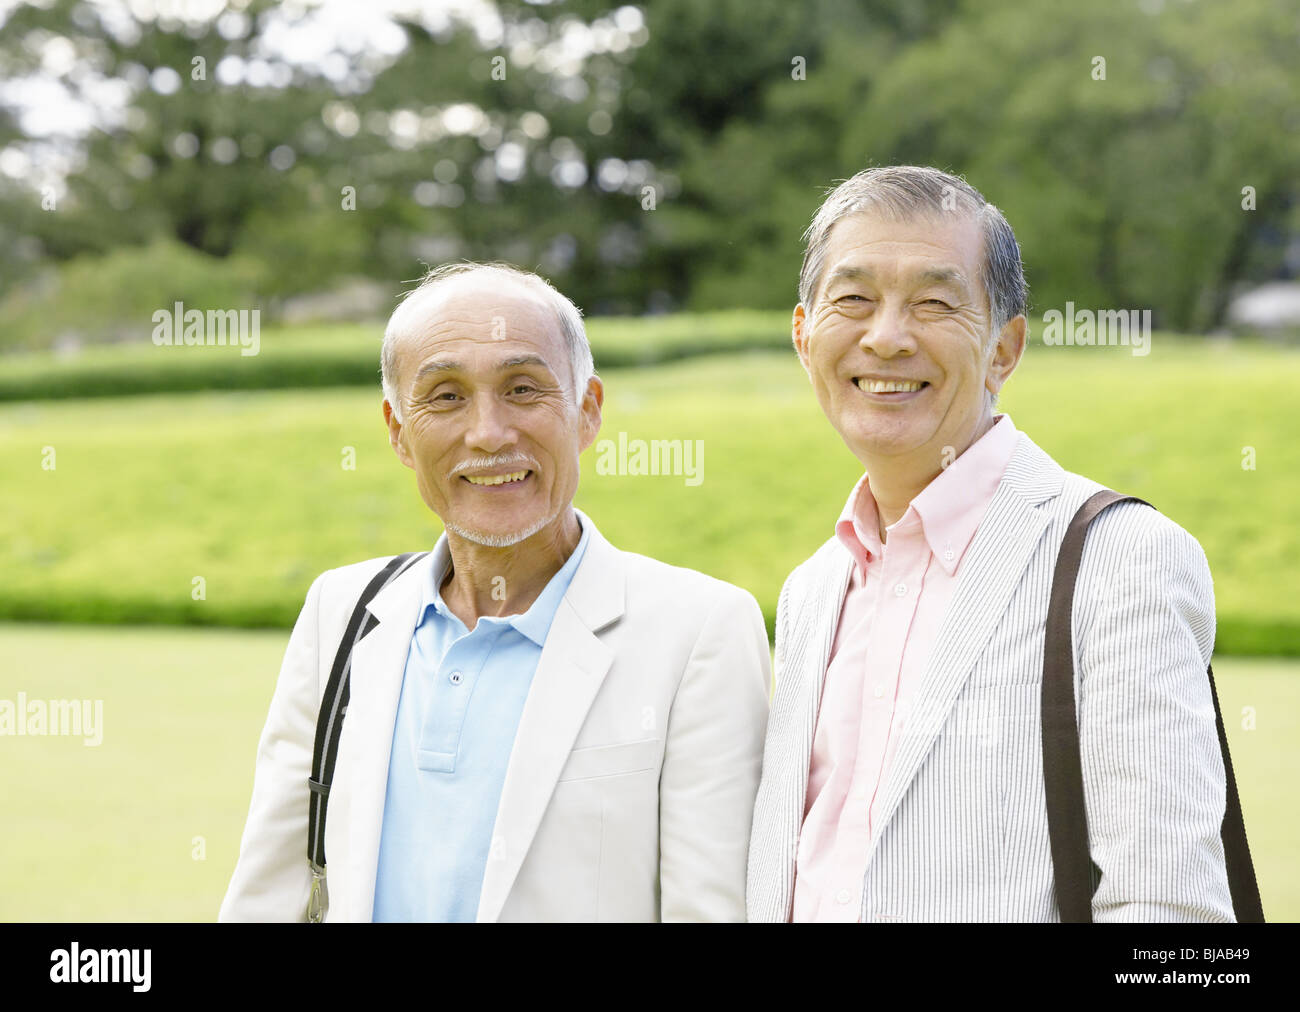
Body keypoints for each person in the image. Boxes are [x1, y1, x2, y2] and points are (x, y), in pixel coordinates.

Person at [747, 165, 1234, 922]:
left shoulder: (1119, 558)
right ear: (805, 337)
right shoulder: (813, 589)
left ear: (1005, 350)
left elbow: (1172, 914)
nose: (886, 337)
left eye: (935, 303)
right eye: (854, 300)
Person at [220, 262, 770, 922]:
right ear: (398, 430)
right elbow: (270, 894)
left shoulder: (699, 631)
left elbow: (710, 911)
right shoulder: (341, 613)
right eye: (446, 396)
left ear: (587, 411)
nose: (488, 433)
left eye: (522, 388)